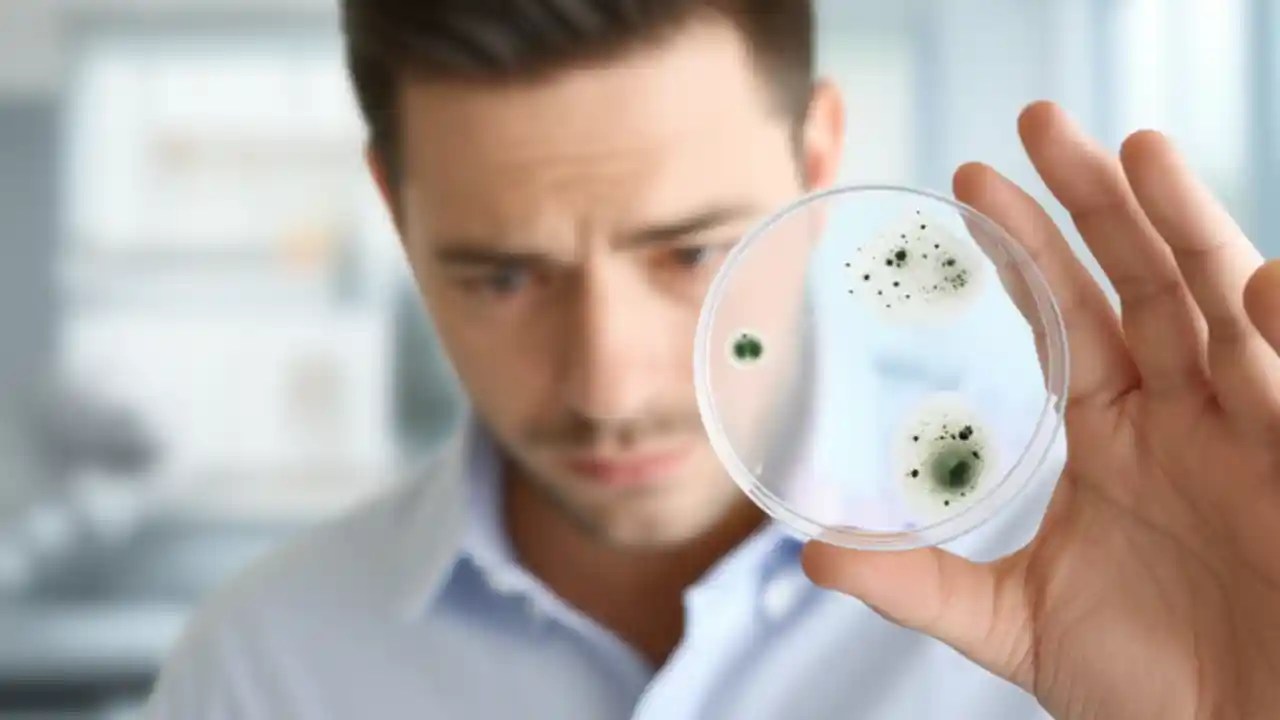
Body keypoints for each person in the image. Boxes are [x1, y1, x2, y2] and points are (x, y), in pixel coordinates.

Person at [145, 1, 1280, 718]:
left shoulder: (1139, 584)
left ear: (817, 158)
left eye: (690, 254)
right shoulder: (258, 673)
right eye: (502, 276)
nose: (610, 388)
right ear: (395, 209)